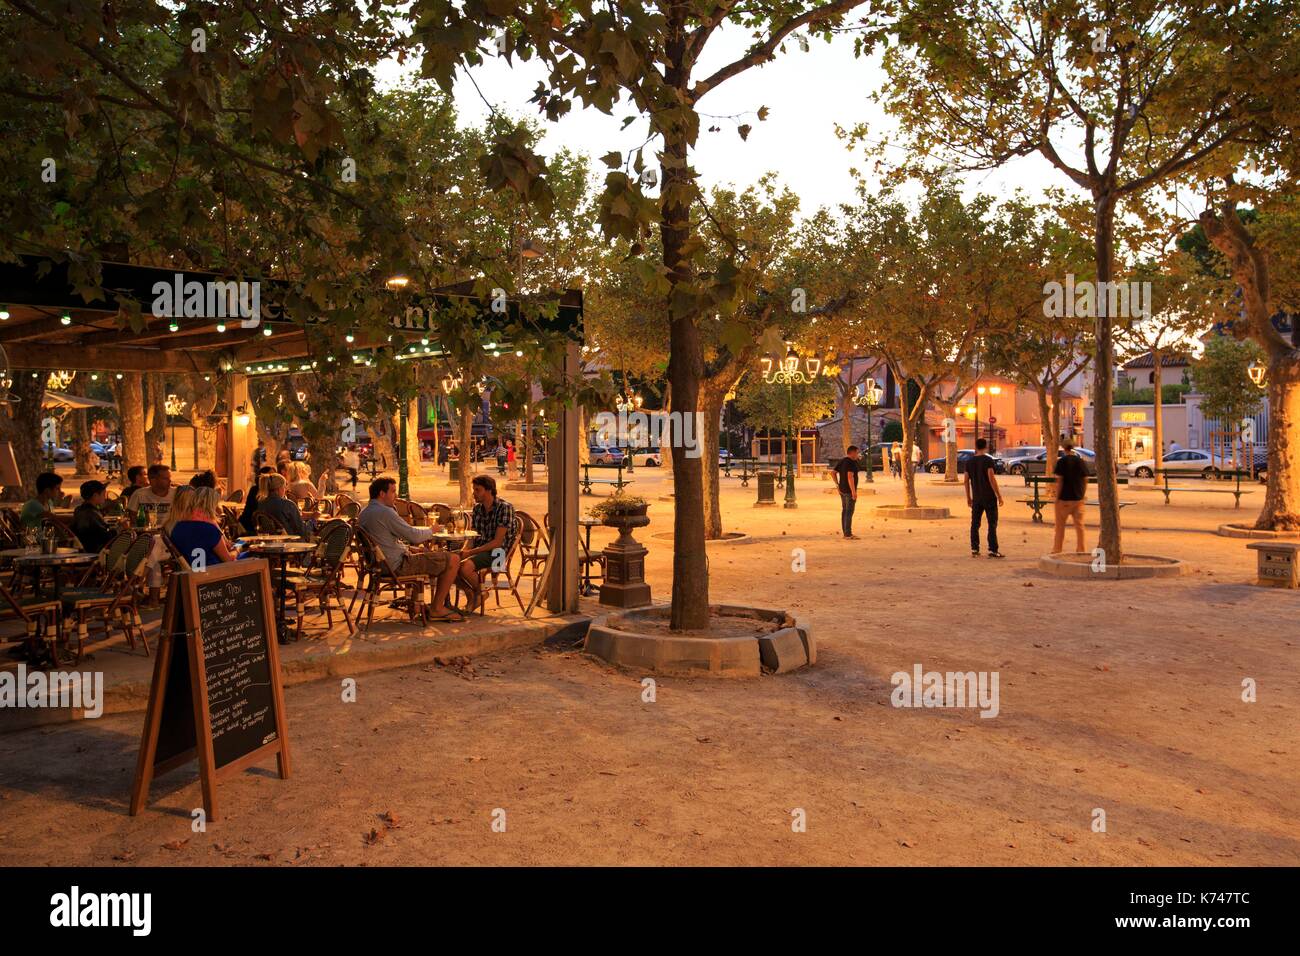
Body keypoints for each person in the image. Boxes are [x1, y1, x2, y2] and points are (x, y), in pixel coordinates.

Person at [358, 477, 464, 622]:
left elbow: (385, 543)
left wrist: (408, 548)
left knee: (423, 554)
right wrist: (432, 530)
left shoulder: (364, 513)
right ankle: (437, 608)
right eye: (393, 491)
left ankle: (416, 606)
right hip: (396, 566)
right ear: (382, 494)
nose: (396, 496)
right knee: (453, 559)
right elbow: (414, 536)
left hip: (378, 566)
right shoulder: (385, 512)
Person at [457, 475, 517, 599]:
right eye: (474, 490)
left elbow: (497, 542)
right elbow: (473, 535)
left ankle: (480, 594)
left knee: (464, 567)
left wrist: (469, 553)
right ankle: (473, 595)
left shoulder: (505, 508)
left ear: (489, 490)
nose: (474, 493)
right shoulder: (478, 508)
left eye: (477, 490)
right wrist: (465, 549)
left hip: (499, 555)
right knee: (450, 565)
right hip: (481, 550)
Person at [170, 487, 239, 570]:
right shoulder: (209, 529)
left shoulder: (177, 528)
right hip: (213, 575)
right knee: (250, 556)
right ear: (212, 506)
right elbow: (228, 560)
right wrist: (237, 550)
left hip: (191, 575)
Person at [964, 437, 1004, 558]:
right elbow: (991, 478)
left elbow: (966, 481)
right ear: (985, 447)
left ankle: (974, 548)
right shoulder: (988, 460)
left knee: (975, 523)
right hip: (989, 497)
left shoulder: (969, 462)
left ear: (975, 447)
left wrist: (968, 497)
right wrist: (999, 496)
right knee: (992, 523)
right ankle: (992, 549)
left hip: (976, 497)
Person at [1052, 440, 1089, 554]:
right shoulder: (1080, 461)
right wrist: (1082, 494)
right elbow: (1085, 479)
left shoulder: (1061, 462)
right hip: (1078, 499)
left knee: (1060, 527)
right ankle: (1081, 549)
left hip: (1064, 499)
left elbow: (1060, 481)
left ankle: (1057, 549)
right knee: (1080, 526)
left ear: (1064, 448)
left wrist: (1057, 498)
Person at [256, 473, 310, 539]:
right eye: (284, 487)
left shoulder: (261, 503)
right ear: (279, 488)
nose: (285, 490)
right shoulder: (287, 504)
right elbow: (302, 531)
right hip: (289, 542)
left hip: (270, 541)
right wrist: (313, 521)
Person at [71, 480, 114, 553]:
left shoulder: (79, 510)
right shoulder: (92, 514)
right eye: (103, 494)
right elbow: (105, 537)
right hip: (94, 551)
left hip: (82, 547)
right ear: (95, 496)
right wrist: (119, 529)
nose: (105, 497)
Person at [834, 446, 861, 539]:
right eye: (857, 453)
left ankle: (845, 532)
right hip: (849, 491)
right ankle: (848, 534)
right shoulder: (851, 463)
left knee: (845, 511)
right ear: (852, 453)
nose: (858, 454)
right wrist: (854, 492)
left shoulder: (842, 461)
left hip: (842, 490)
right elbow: (850, 476)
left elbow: (833, 472)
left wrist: (837, 485)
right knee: (849, 512)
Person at [241, 465, 275, 534]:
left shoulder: (253, 489)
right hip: (252, 528)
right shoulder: (265, 493)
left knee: (238, 543)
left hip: (245, 526)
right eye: (272, 476)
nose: (274, 478)